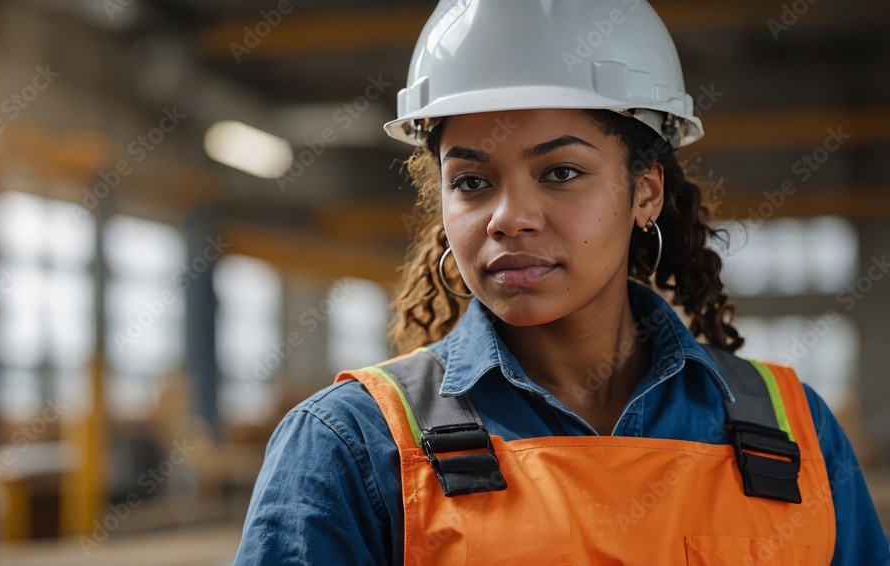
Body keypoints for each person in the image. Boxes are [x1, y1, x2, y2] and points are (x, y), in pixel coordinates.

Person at [234, 1, 889, 564]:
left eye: (560, 173)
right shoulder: (351, 446)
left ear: (646, 193)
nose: (508, 218)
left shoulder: (793, 434)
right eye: (471, 182)